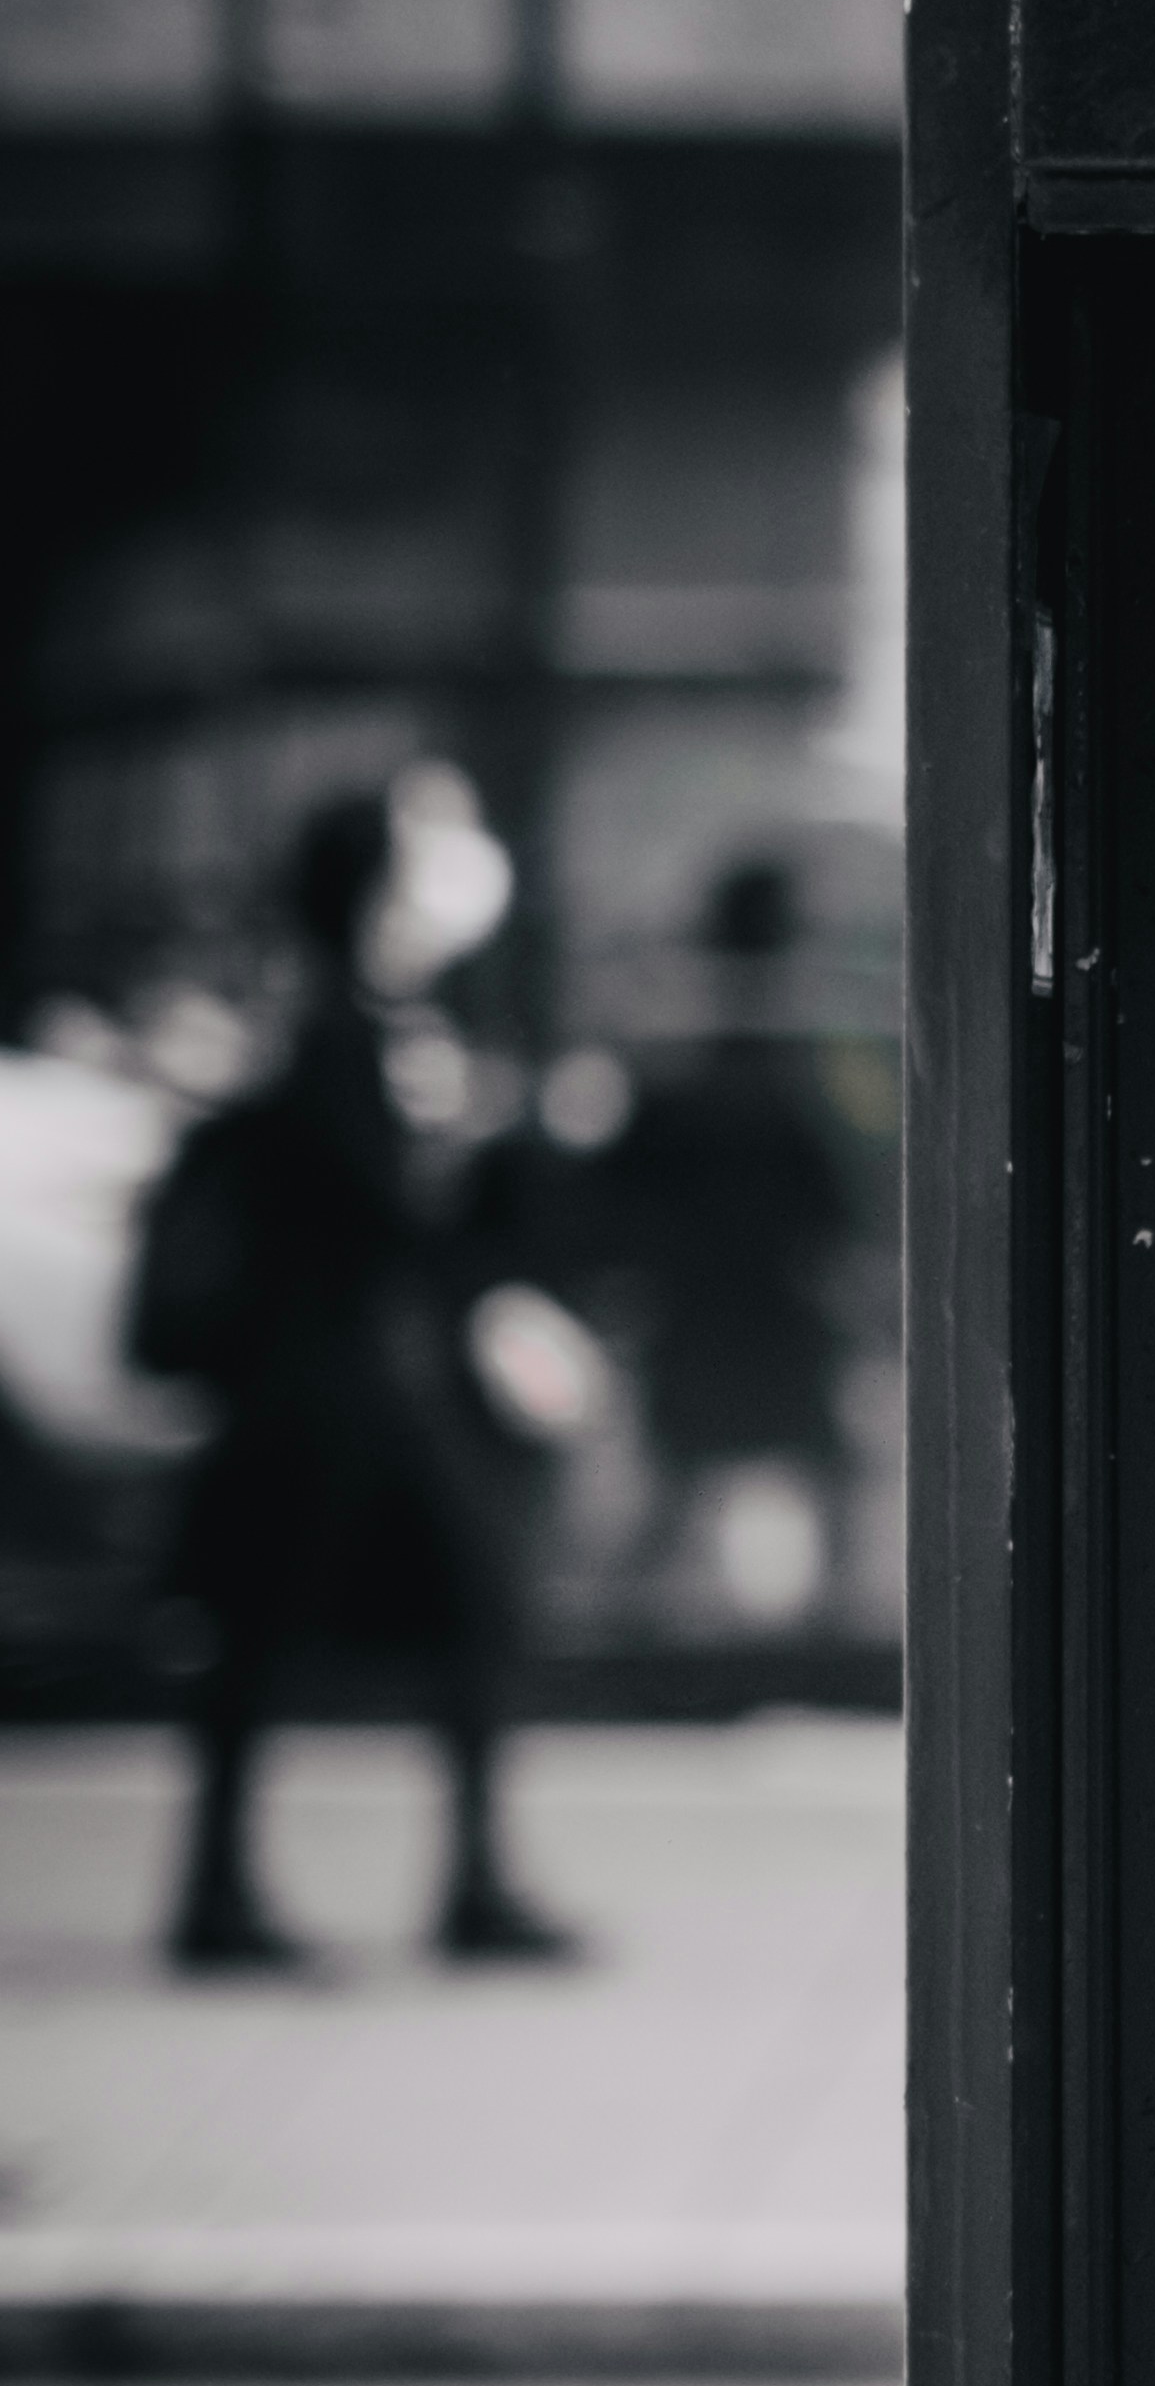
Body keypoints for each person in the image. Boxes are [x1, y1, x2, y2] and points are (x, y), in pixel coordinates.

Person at [126, 765, 585, 1974]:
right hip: (327, 1393)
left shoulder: (386, 1030)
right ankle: (240, 1895)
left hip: (367, 1390)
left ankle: (450, 1881)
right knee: (283, 1635)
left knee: (430, 1620)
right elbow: (382, 1214)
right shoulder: (334, 1031)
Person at [585, 852, 866, 1631]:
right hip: (728, 1299)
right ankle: (626, 1627)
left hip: (747, 1298)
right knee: (695, 1473)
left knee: (805, 1467)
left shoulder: (762, 1040)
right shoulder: (718, 1035)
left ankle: (824, 1625)